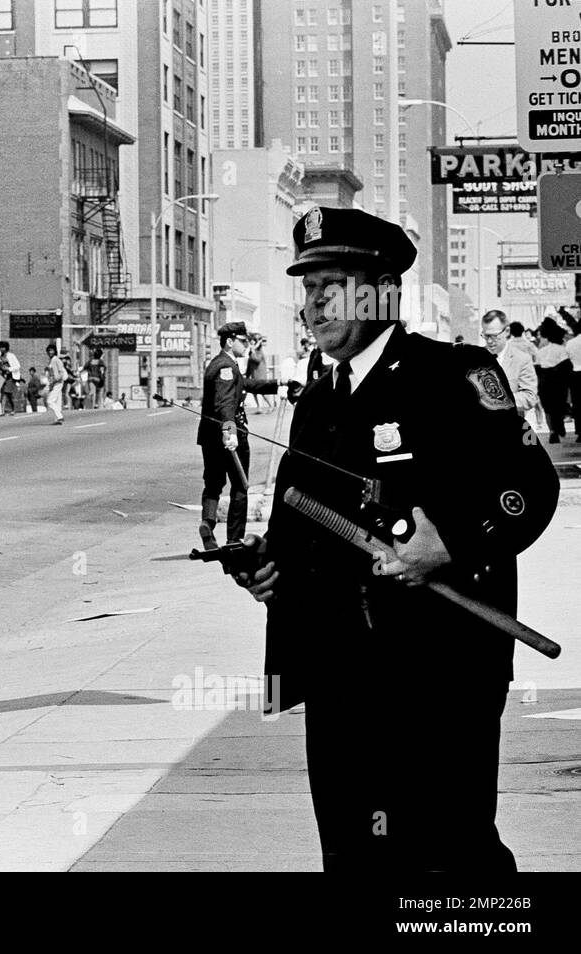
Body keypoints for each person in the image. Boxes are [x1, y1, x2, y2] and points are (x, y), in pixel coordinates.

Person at [237, 206, 559, 871]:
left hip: (441, 671)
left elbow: (529, 488)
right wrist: (270, 566)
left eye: (332, 282)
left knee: (452, 853)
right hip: (338, 676)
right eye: (307, 284)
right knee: (355, 855)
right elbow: (302, 526)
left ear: (382, 292)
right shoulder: (318, 400)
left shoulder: (458, 374)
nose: (314, 301)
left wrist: (454, 541)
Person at [197, 321, 281, 549]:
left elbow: (245, 385)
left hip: (209, 437)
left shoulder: (221, 363)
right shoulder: (226, 366)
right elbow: (224, 403)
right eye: (242, 341)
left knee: (213, 483)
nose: (246, 345)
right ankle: (234, 538)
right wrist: (230, 431)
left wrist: (279, 384)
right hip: (229, 437)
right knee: (240, 486)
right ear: (230, 341)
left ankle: (207, 522)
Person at [481, 310, 538, 418]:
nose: (489, 341)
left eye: (494, 336)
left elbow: (530, 396)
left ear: (507, 331)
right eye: (486, 336)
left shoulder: (522, 359)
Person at [535, 317, 573, 444]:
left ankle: (552, 431)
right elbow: (567, 366)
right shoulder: (562, 350)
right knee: (558, 406)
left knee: (548, 409)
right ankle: (558, 427)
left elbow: (537, 368)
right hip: (558, 383)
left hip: (544, 382)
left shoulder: (540, 352)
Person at [0, 341, 21, 415]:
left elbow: (18, 366)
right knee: (3, 393)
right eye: (0, 347)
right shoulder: (0, 357)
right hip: (3, 377)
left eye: (3, 347)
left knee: (8, 393)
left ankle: (13, 408)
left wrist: (9, 369)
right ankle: (3, 411)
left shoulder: (11, 356)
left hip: (10, 377)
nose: (1, 349)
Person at [567, 318, 581, 442]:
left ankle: (580, 430)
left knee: (577, 403)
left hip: (575, 375)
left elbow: (568, 359)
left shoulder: (570, 343)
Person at [45, 344, 66, 424]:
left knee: (50, 401)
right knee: (56, 401)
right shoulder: (51, 360)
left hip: (57, 382)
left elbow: (61, 371)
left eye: (52, 350)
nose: (50, 352)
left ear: (55, 351)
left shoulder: (56, 360)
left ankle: (60, 416)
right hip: (54, 383)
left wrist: (56, 379)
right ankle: (57, 419)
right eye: (49, 350)